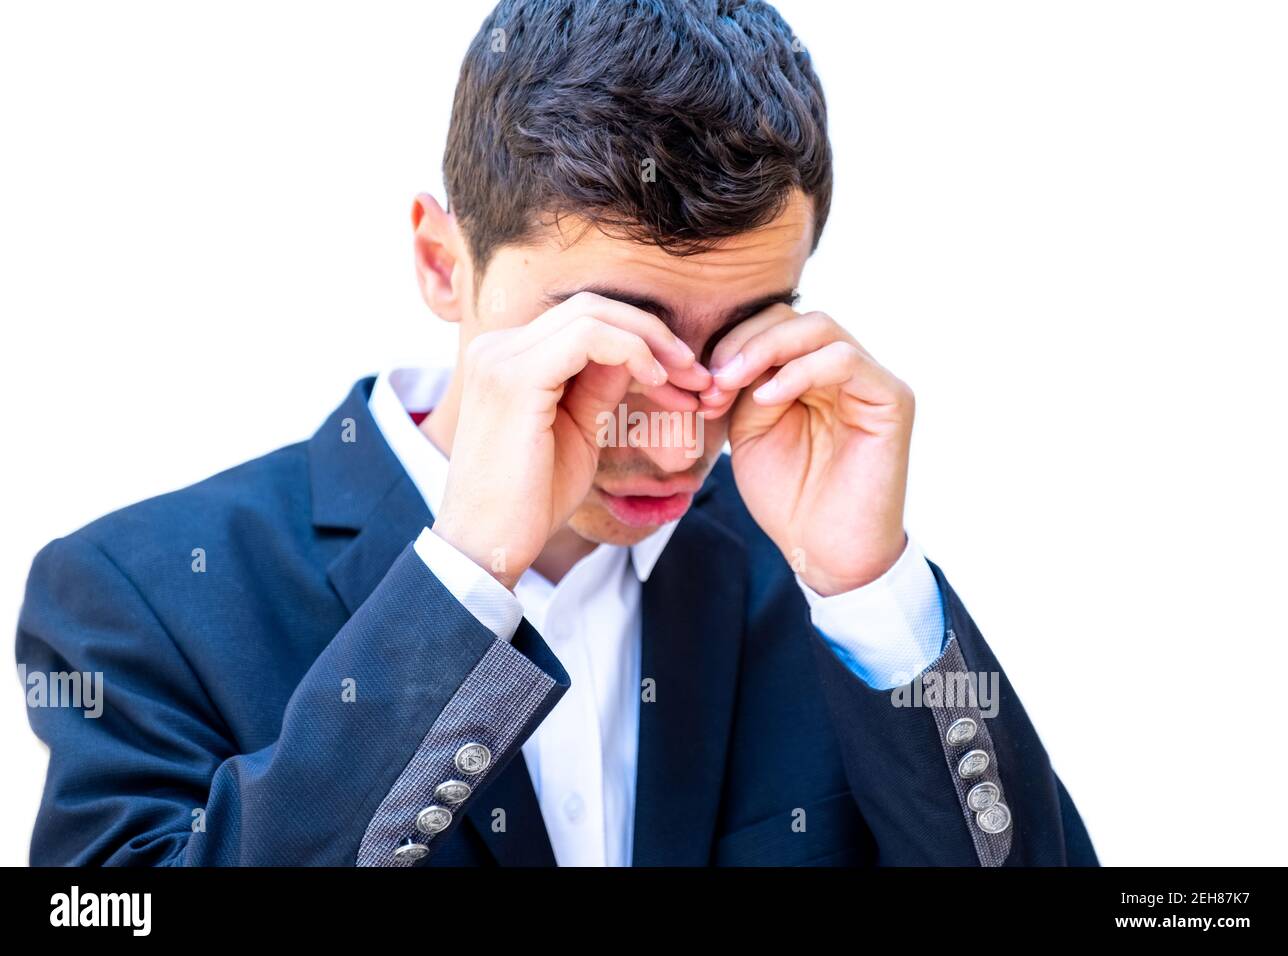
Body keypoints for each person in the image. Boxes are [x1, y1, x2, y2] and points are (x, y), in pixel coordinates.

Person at [17, 0, 1097, 866]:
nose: (680, 439)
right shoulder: (139, 593)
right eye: (611, 340)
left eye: (745, 336)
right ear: (444, 266)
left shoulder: (833, 595)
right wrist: (461, 584)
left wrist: (874, 595)